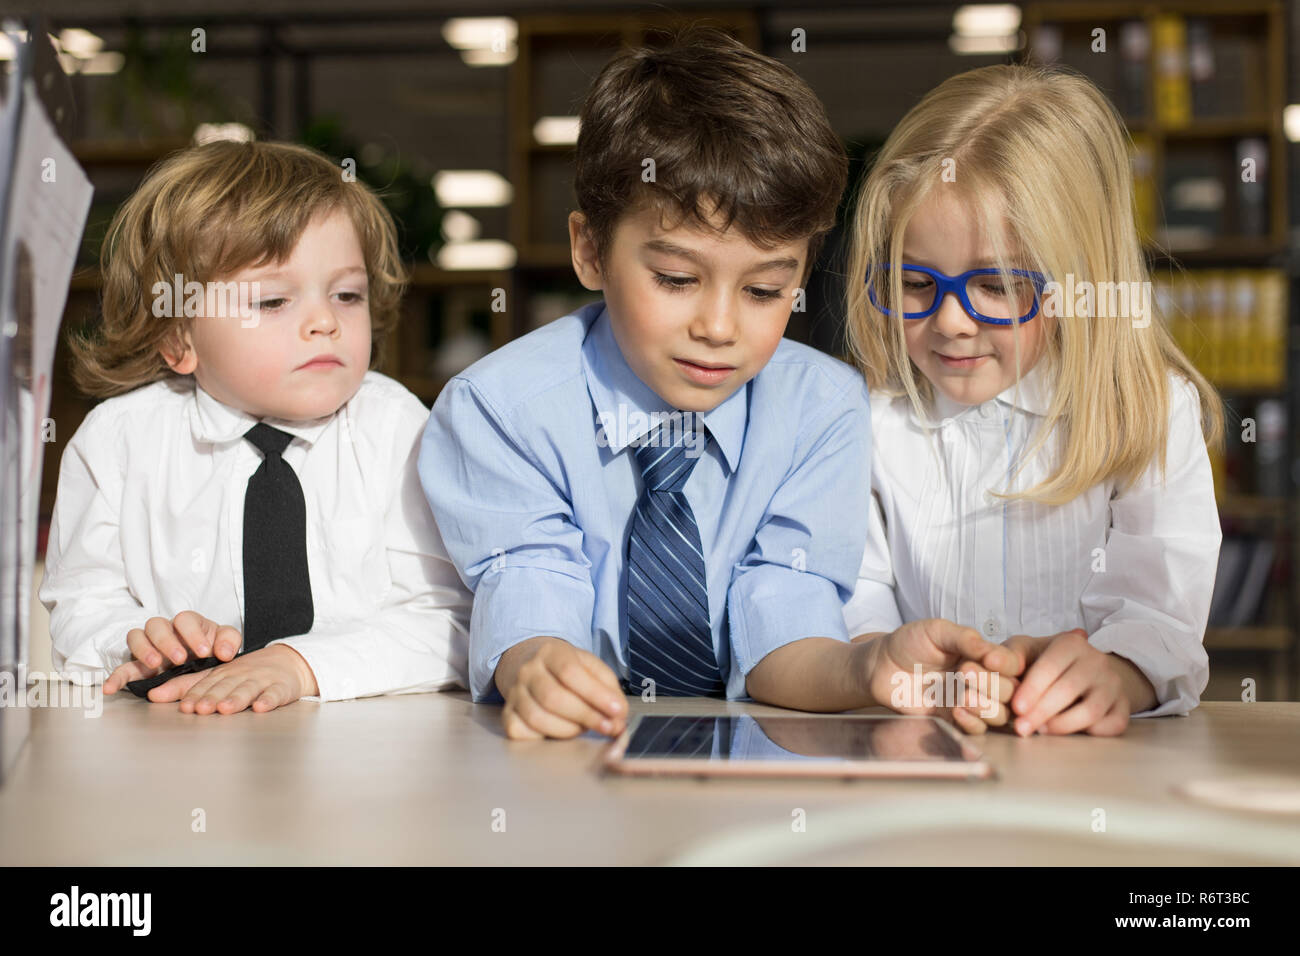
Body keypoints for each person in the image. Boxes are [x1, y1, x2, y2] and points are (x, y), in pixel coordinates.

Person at [420, 29, 1019, 741]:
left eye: (766, 288)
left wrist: (864, 669)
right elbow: (528, 579)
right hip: (566, 762)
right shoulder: (499, 408)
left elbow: (782, 616)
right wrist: (535, 661)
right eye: (675, 279)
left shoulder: (822, 409)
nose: (719, 326)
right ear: (589, 250)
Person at [842, 64, 1224, 736]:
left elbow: (1161, 613)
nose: (953, 321)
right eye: (912, 281)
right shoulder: (866, 422)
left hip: (1095, 779)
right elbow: (857, 595)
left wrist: (1120, 673)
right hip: (921, 769)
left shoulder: (1150, 411)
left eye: (996, 285)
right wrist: (888, 665)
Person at [40, 140, 470, 715]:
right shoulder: (116, 443)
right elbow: (80, 603)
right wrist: (134, 641)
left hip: (365, 749)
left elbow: (453, 623)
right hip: (173, 749)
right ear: (178, 337)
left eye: (347, 294)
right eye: (272, 301)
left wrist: (304, 665)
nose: (324, 322)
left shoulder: (397, 431)